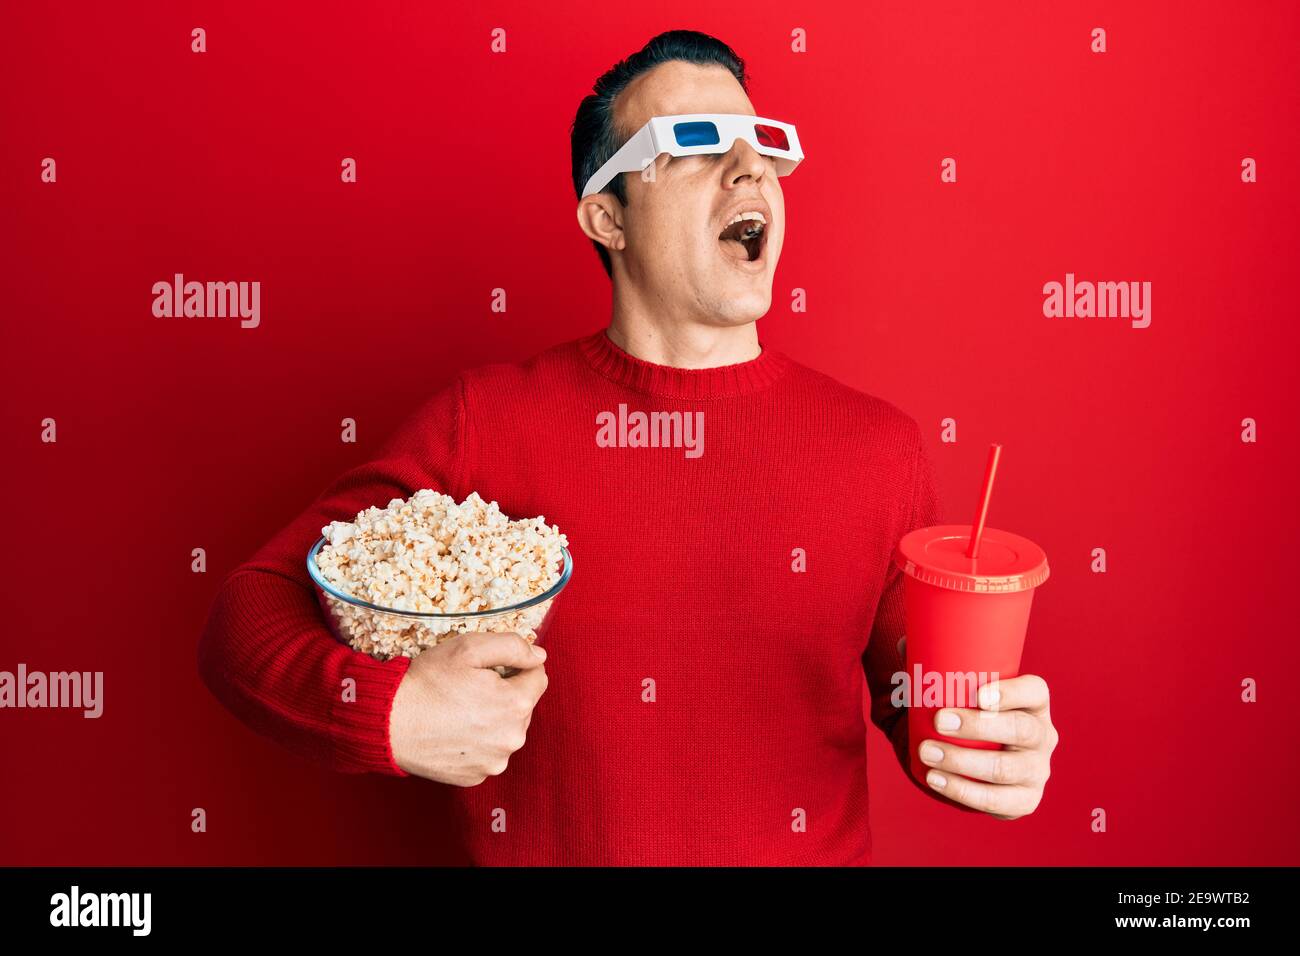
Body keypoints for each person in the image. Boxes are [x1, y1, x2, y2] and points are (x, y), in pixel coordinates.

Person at [198, 29, 1058, 865]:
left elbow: (919, 705)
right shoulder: (486, 425)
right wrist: (386, 715)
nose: (749, 165)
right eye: (692, 142)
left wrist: (984, 747)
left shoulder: (879, 449)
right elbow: (247, 612)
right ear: (606, 215)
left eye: (760, 143)